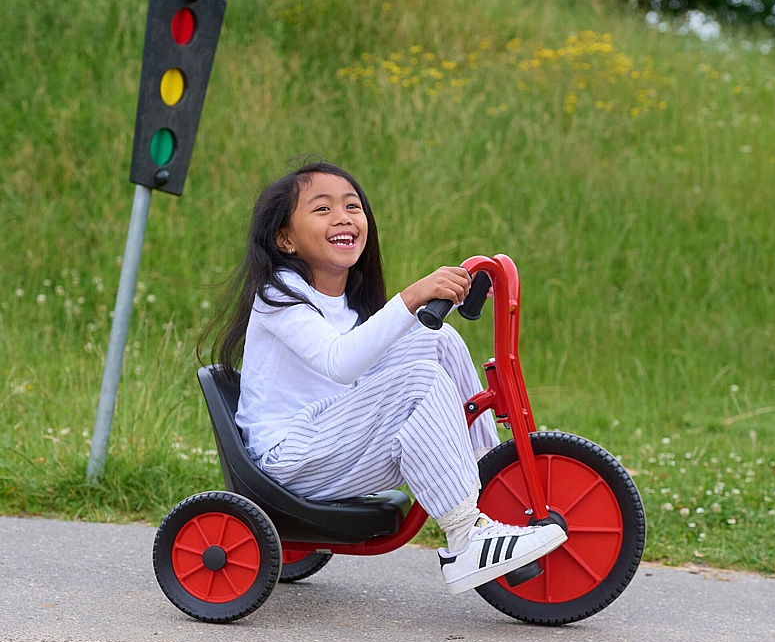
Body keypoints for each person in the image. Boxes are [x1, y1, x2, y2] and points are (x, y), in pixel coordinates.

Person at [206, 161, 566, 594]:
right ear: (285, 239)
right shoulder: (279, 295)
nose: (342, 217)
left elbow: (368, 366)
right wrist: (414, 297)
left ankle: (488, 488)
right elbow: (341, 363)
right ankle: (467, 537)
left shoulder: (348, 302)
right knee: (418, 378)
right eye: (322, 209)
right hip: (290, 461)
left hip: (331, 442)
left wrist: (442, 298)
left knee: (440, 341)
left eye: (352, 206)